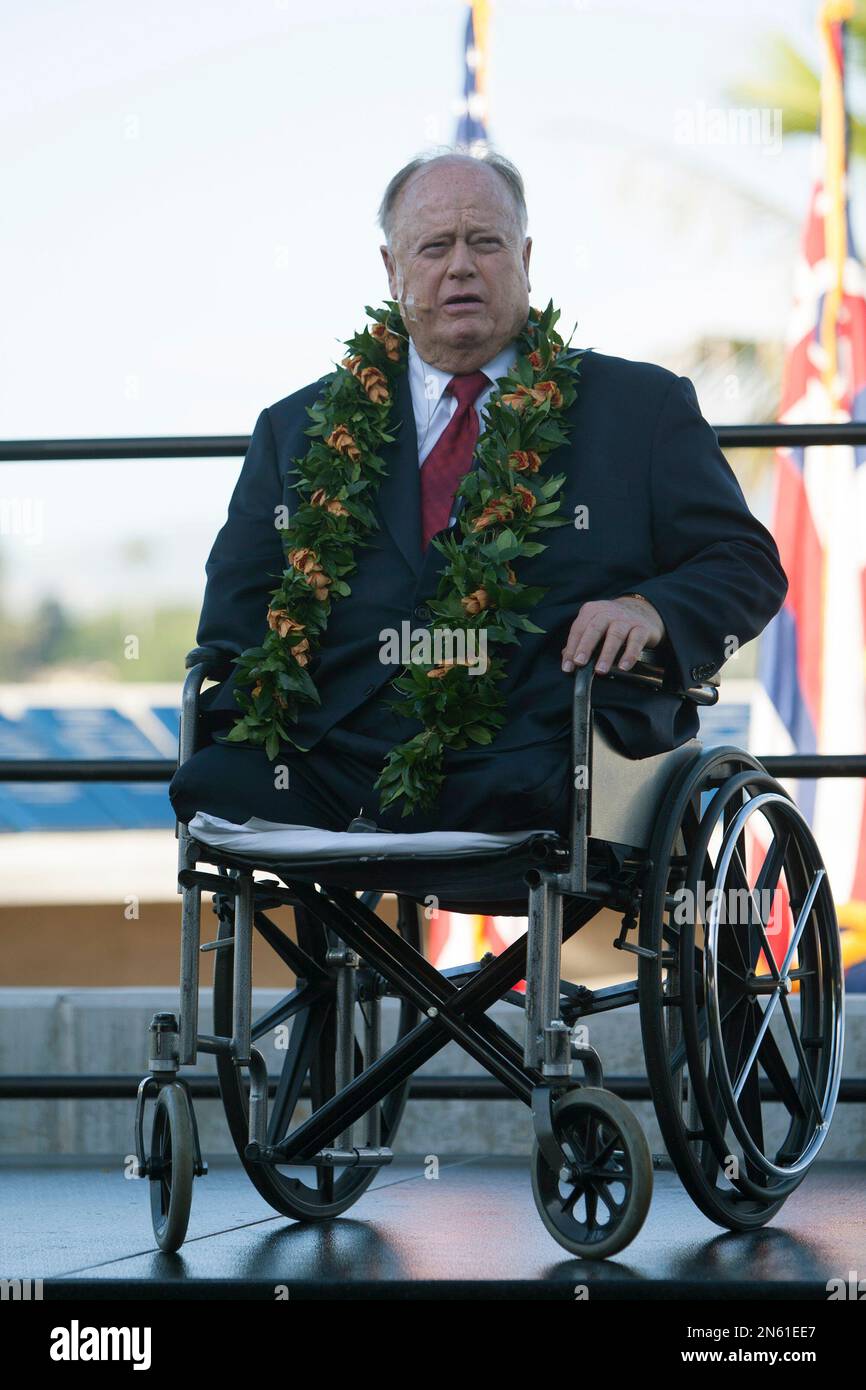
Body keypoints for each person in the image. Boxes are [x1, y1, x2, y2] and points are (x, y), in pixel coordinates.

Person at [169, 149, 787, 840]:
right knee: (216, 785)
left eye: (485, 242)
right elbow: (235, 613)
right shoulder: (298, 430)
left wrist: (650, 609)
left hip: (537, 751)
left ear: (524, 256)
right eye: (434, 247)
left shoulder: (640, 409)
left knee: (539, 791)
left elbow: (744, 562)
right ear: (392, 269)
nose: (460, 265)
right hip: (332, 760)